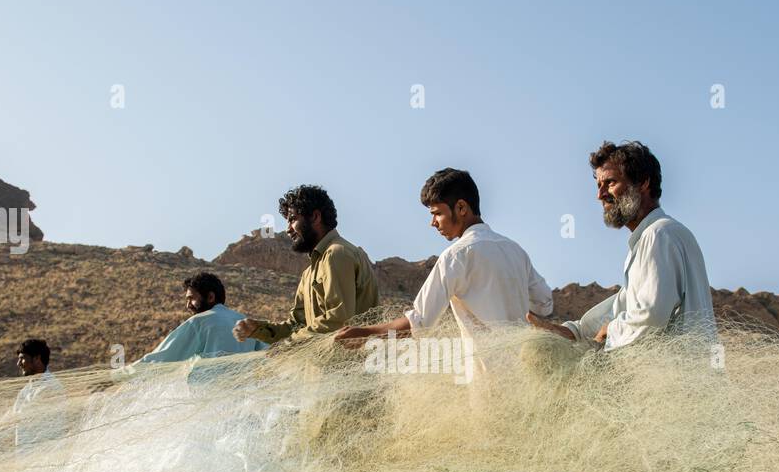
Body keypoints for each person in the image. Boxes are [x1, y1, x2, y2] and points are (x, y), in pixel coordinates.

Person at [334, 168, 553, 350]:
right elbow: (544, 305)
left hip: (488, 383)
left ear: (461, 208)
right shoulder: (515, 250)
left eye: (437, 213)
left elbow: (418, 324)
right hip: (527, 376)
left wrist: (364, 333)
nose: (433, 223)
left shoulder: (456, 256)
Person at [528, 141, 716, 350]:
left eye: (610, 183)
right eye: (598, 186)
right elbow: (621, 307)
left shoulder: (659, 235)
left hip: (680, 378)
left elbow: (650, 318)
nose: (600, 195)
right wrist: (573, 332)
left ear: (643, 183)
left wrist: (611, 330)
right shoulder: (653, 237)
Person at [233, 185, 379, 344]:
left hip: (351, 366)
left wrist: (288, 344)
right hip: (322, 367)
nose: (288, 229)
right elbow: (296, 326)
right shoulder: (308, 274)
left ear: (315, 217)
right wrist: (257, 329)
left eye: (293, 219)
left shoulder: (338, 254)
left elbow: (339, 320)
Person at [135, 272, 265, 364]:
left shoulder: (200, 322)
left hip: (208, 397)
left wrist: (121, 376)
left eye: (191, 298)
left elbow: (161, 358)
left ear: (210, 297)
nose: (188, 305)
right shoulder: (247, 322)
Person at [13, 338, 67, 449]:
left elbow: (22, 416)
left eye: (22, 359)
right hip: (28, 456)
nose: (19, 364)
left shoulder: (50, 388)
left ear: (37, 358)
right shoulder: (28, 388)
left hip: (44, 455)